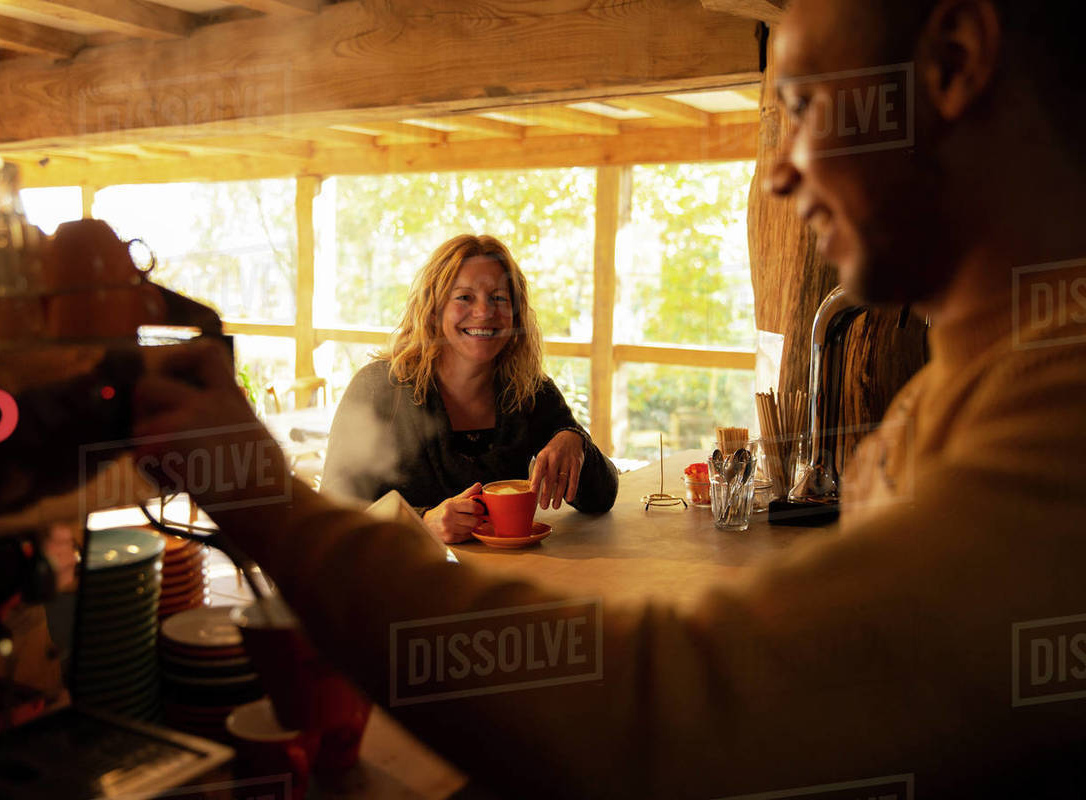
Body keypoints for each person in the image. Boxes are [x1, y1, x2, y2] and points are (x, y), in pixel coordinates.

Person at [132, 0, 1086, 796]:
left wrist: (257, 491)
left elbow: (673, 716)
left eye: (801, 107)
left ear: (955, 63)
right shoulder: (967, 391)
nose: (778, 170)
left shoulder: (1059, 412)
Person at [320, 234, 618, 542]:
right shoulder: (379, 388)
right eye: (464, 297)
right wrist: (421, 523)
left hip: (498, 583)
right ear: (433, 309)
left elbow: (601, 497)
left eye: (499, 298)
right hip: (401, 582)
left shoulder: (527, 389)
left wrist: (574, 440)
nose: (484, 312)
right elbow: (332, 517)